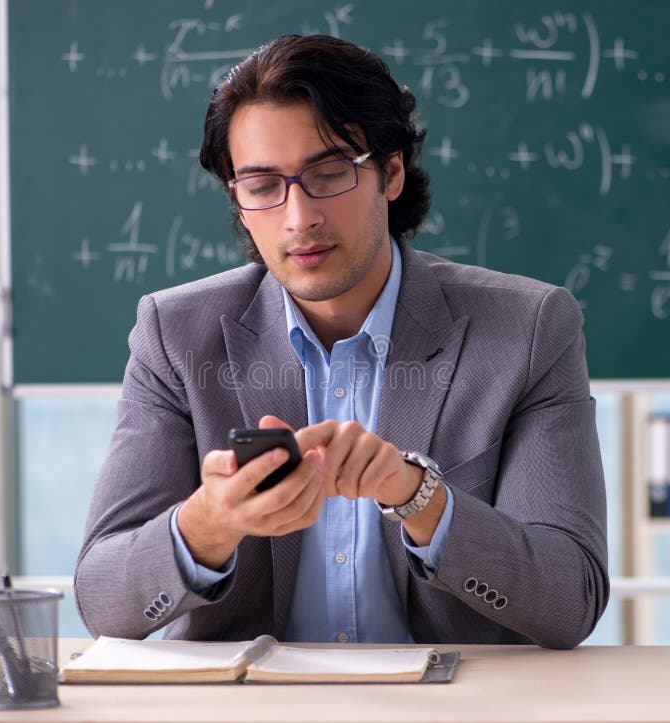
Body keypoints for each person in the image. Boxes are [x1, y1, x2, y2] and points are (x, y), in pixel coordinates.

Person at [74, 34, 608, 649]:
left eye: (329, 173)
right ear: (238, 202)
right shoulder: (176, 336)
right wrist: (209, 525)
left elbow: (571, 601)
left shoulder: (530, 329)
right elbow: (101, 602)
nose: (299, 218)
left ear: (392, 173)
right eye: (261, 186)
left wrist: (418, 496)